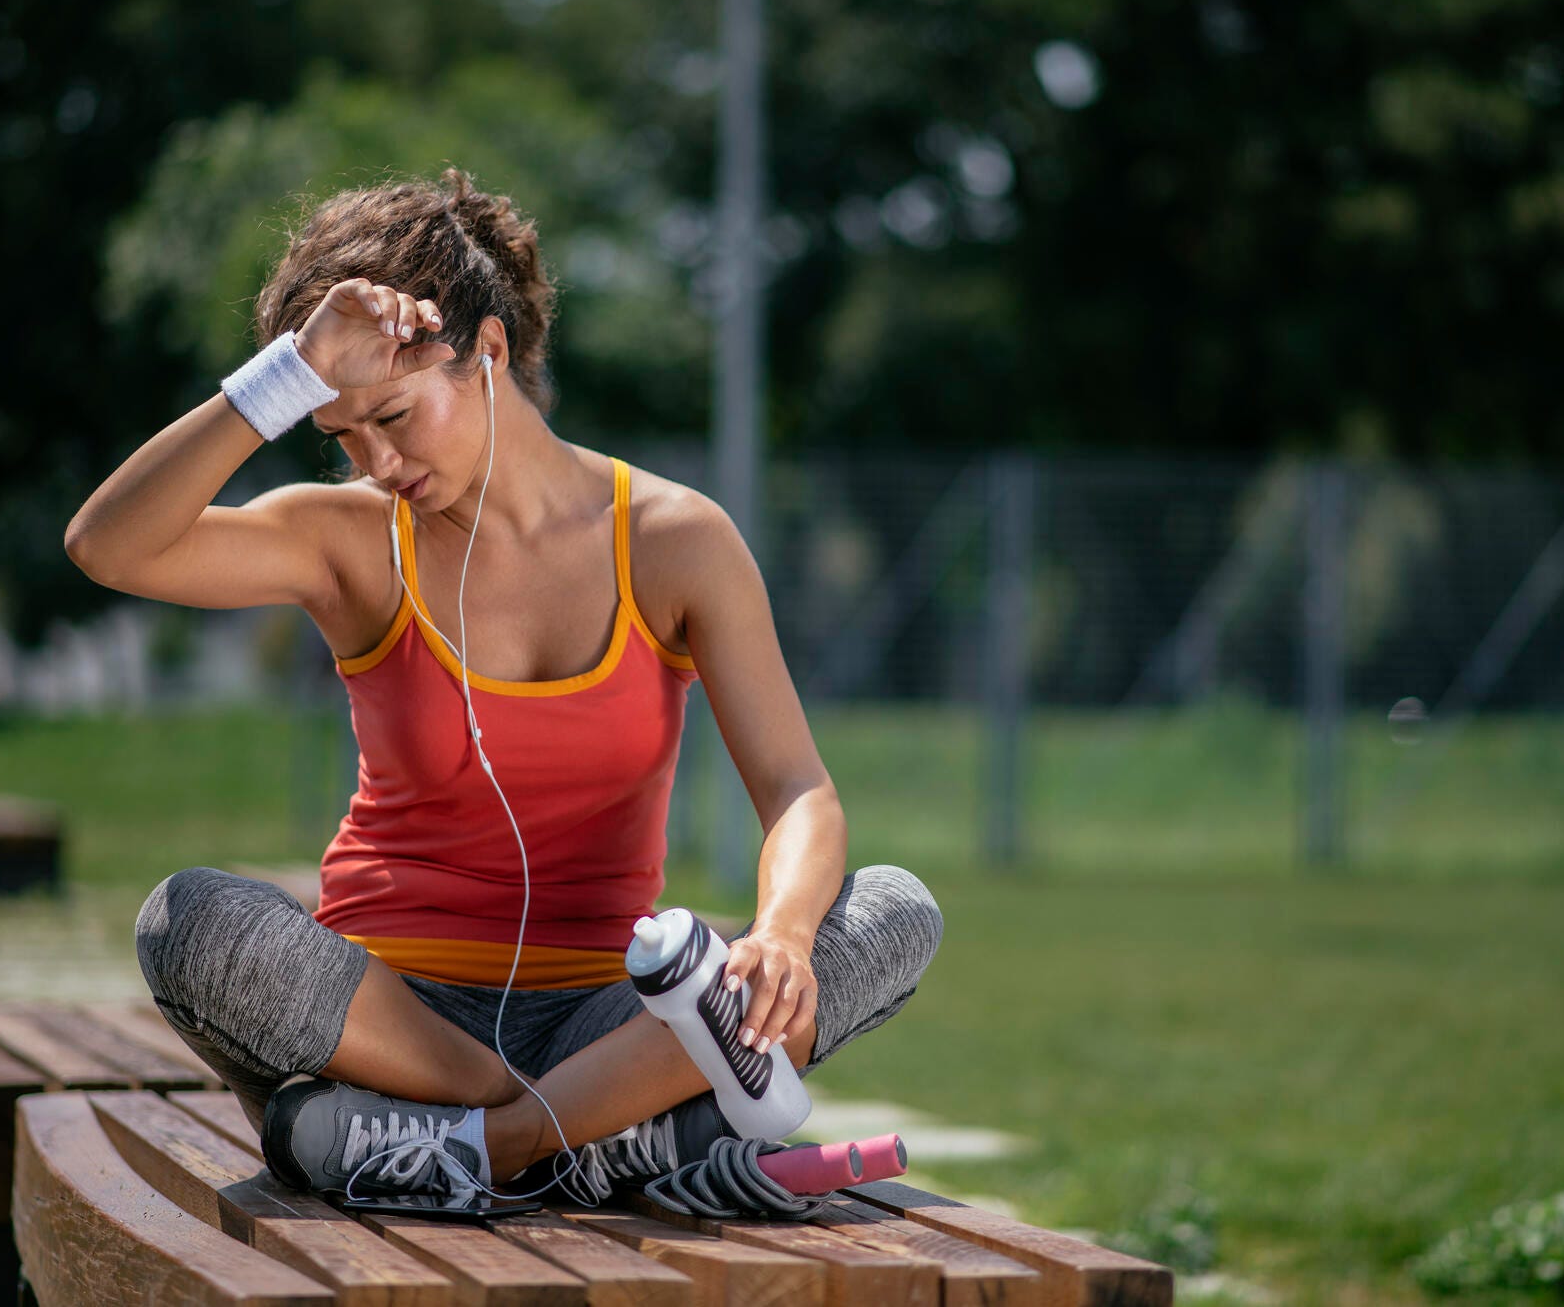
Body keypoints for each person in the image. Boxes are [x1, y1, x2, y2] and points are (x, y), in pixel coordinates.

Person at [64, 168, 942, 1207]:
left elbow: (799, 789)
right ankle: (597, 1137)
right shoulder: (348, 540)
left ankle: (486, 1146)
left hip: (602, 1018)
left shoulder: (673, 539)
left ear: (486, 349)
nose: (375, 461)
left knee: (892, 911)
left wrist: (783, 934)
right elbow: (108, 547)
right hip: (391, 1025)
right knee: (186, 919)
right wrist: (287, 374)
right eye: (342, 434)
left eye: (393, 414)